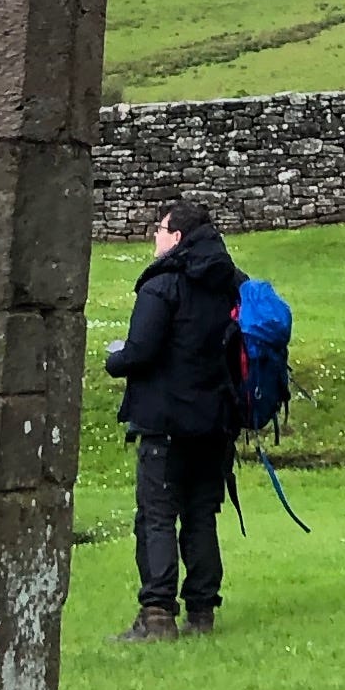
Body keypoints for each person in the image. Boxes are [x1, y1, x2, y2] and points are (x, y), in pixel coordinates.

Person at [104, 200, 243, 639]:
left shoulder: (162, 286)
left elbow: (140, 351)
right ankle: (202, 611)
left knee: (157, 515)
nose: (155, 237)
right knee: (201, 514)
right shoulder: (230, 284)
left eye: (160, 229)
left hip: (165, 421)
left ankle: (157, 612)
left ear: (177, 237)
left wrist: (115, 358)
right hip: (214, 421)